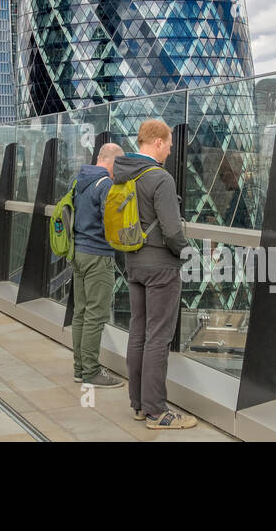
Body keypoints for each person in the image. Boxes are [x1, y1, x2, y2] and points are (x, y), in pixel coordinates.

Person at [111, 119, 197, 430]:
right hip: (160, 265)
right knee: (158, 337)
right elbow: (172, 230)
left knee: (138, 333)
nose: (170, 151)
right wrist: (185, 251)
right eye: (170, 145)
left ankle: (138, 405)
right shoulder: (160, 178)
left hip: (132, 262)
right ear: (157, 142)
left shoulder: (123, 173)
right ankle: (157, 412)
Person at [71, 141, 125, 388]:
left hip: (78, 252)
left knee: (80, 313)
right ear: (112, 161)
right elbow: (112, 222)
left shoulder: (80, 181)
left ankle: (79, 368)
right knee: (96, 314)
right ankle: (91, 372)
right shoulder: (105, 185)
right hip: (98, 256)